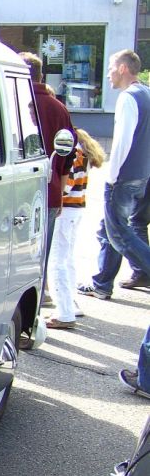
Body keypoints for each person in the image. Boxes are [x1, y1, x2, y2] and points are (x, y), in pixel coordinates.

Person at [91, 50, 150, 398]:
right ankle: (102, 281)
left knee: (119, 233)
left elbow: (124, 139)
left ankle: (139, 269)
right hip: (141, 176)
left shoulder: (129, 98)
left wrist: (111, 176)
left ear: (125, 69)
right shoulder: (146, 93)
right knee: (108, 231)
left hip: (124, 176)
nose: (109, 74)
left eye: (112, 67)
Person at [19, 52, 75, 310]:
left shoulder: (13, 101)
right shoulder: (58, 108)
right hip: (48, 190)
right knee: (39, 254)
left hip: (13, 190)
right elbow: (68, 154)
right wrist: (60, 192)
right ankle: (36, 308)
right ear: (41, 75)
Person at [45, 129, 105, 329]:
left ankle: (64, 311)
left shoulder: (73, 154)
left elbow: (67, 186)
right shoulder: (84, 154)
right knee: (67, 258)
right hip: (76, 209)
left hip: (66, 210)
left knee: (57, 260)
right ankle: (70, 303)